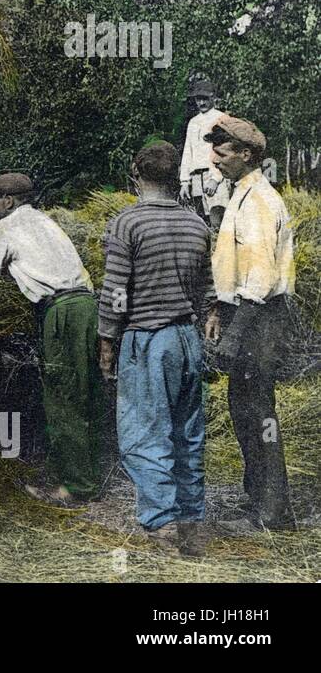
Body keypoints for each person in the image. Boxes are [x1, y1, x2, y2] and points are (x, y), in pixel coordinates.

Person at [97, 142, 212, 556]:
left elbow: (115, 293)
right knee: (188, 433)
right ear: (176, 178)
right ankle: (191, 522)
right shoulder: (196, 224)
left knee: (145, 433)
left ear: (135, 173)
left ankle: (161, 526)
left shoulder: (127, 223)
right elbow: (205, 289)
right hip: (187, 338)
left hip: (146, 338)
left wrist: (107, 341)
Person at [0, 172, 104, 506]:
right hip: (88, 306)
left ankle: (77, 488)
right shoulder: (48, 224)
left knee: (61, 396)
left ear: (8, 201)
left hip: (61, 312)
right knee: (84, 393)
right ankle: (79, 473)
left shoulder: (9, 226)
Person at [203, 115, 296, 531]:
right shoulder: (240, 194)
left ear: (245, 154)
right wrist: (218, 312)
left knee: (259, 414)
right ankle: (257, 498)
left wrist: (236, 332)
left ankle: (273, 512)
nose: (214, 159)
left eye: (222, 152)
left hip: (259, 317)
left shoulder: (259, 200)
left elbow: (260, 277)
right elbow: (233, 268)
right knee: (244, 410)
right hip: (245, 312)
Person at [179, 75, 229, 227]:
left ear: (213, 98)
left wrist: (215, 178)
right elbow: (188, 151)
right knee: (200, 222)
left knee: (218, 219)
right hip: (196, 178)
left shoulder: (222, 119)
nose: (201, 102)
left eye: (205, 98)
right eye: (198, 99)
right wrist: (185, 182)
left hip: (214, 176)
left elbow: (225, 151)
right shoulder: (193, 122)